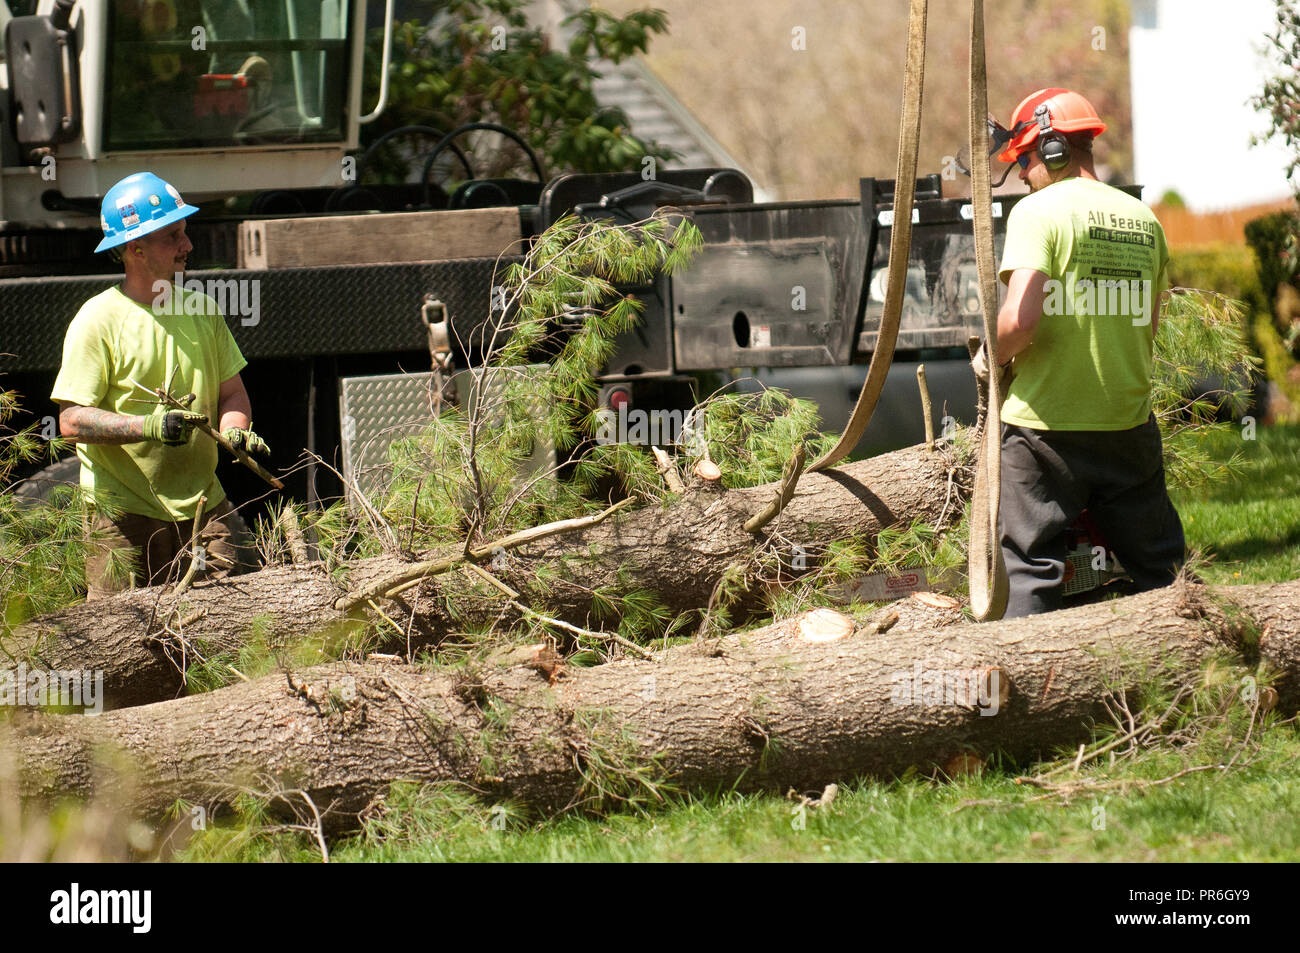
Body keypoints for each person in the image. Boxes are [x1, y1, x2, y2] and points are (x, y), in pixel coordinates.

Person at [974, 88, 1186, 618]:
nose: (1022, 174)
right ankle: (1186, 672)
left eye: (1023, 159)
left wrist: (987, 355)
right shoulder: (1145, 220)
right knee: (1160, 568)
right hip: (1128, 424)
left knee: (1028, 566)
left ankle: (1024, 688)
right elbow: (1149, 326)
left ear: (1049, 150)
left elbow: (1020, 323)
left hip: (1044, 427)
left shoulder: (1037, 212)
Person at [51, 171, 269, 598]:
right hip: (123, 515)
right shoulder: (97, 320)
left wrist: (233, 432)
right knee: (123, 641)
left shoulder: (202, 310)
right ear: (134, 248)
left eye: (184, 232)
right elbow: (71, 421)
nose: (187, 245)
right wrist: (148, 427)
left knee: (224, 626)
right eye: (173, 236)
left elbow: (231, 394)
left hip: (204, 506)